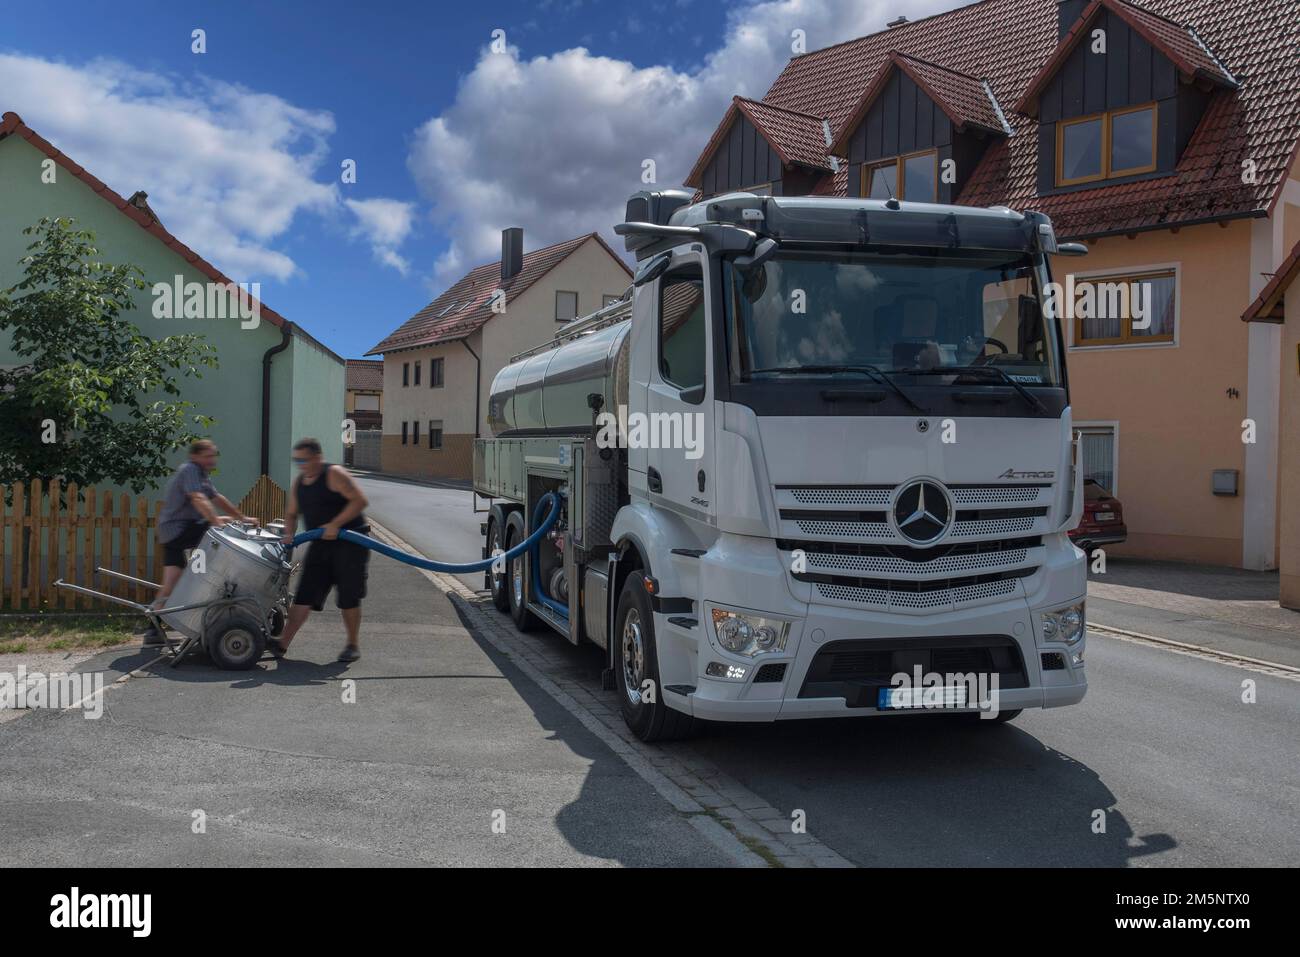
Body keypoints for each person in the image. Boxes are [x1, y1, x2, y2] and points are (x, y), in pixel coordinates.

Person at [269, 438, 370, 663]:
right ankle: (282, 644)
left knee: (348, 597)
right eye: (297, 460)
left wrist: (336, 524)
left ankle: (352, 645)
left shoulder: (334, 474)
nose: (301, 464)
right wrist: (289, 534)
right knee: (305, 593)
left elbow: (359, 501)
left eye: (304, 459)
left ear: (317, 457)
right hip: (320, 544)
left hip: (351, 544)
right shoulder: (299, 483)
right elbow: (292, 513)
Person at [143, 439, 253, 646]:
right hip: (179, 529)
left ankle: (152, 630)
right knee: (219, 532)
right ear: (195, 456)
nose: (212, 460)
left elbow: (217, 498)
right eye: (208, 456)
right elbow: (198, 499)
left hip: (177, 532)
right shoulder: (190, 470)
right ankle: (217, 578)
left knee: (172, 582)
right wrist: (216, 522)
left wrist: (241, 517)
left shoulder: (202, 475)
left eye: (213, 456)